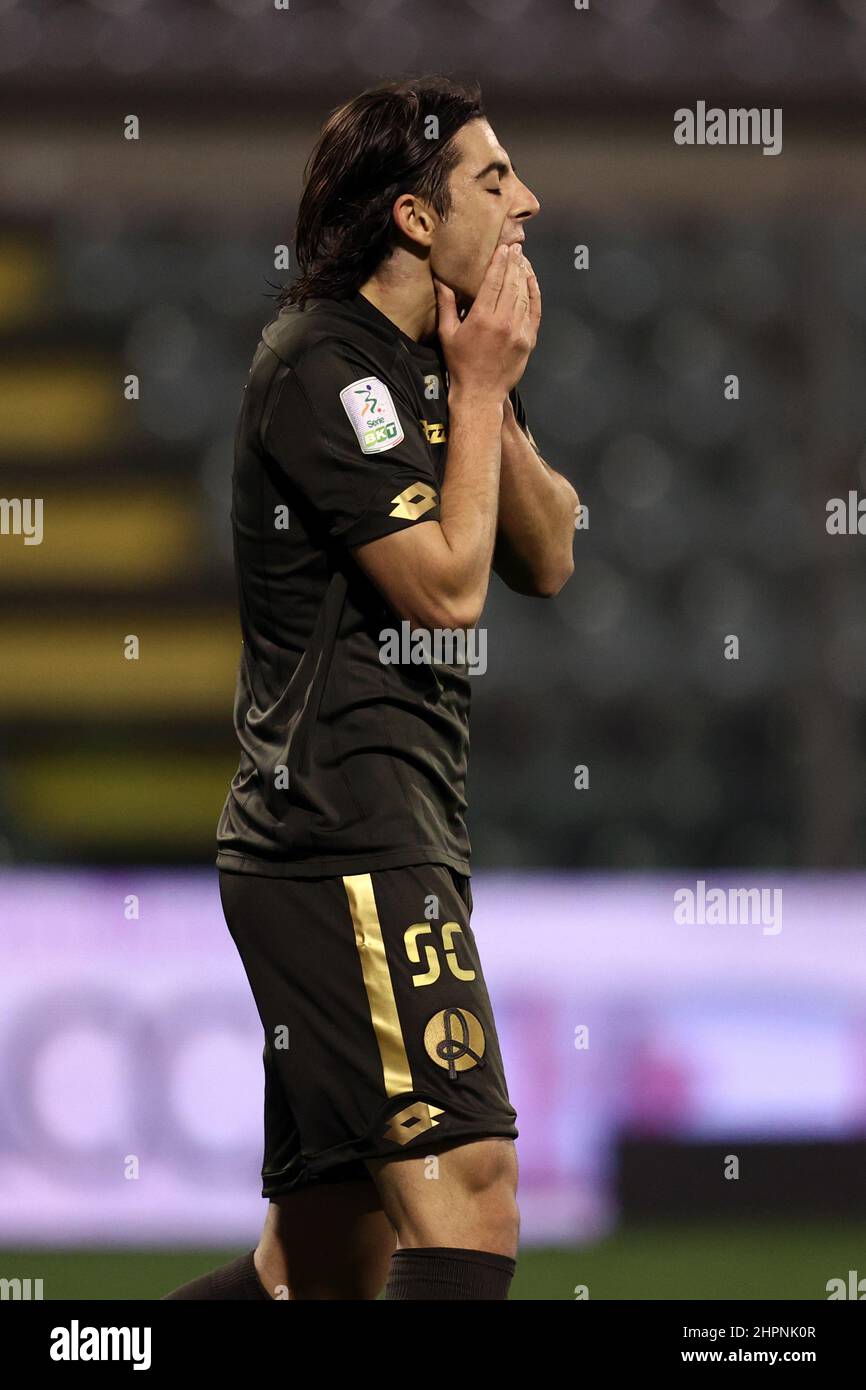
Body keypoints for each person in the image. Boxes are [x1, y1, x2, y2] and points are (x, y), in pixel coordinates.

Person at [164, 75, 577, 1303]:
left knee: (323, 1258)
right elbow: (446, 591)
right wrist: (487, 388)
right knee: (473, 1193)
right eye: (494, 180)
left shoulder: (427, 367)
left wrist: (480, 389)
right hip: (341, 835)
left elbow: (548, 554)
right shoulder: (321, 367)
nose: (528, 203)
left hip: (374, 834)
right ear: (411, 216)